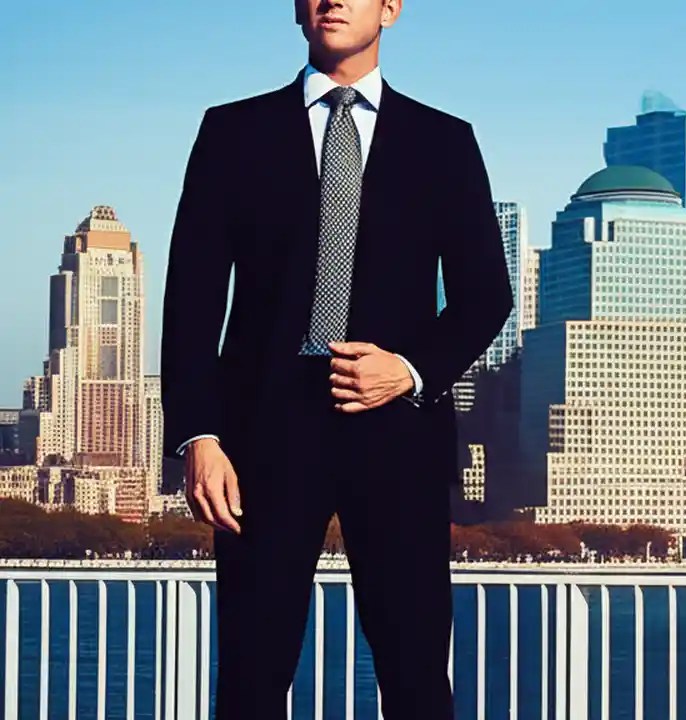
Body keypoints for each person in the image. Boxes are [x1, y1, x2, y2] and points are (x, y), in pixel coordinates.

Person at [159, 0, 512, 716]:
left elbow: (486, 296)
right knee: (252, 676)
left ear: (390, 9)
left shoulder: (444, 141)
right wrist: (198, 435)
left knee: (416, 677)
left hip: (399, 432)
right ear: (297, 9)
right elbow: (192, 297)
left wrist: (407, 369)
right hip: (262, 437)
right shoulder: (233, 132)